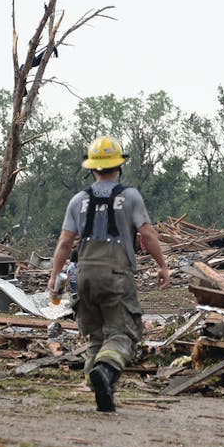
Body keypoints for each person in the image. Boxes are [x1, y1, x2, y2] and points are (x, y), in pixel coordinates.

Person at [47, 136, 170, 412]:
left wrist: (55, 277)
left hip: (83, 275)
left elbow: (65, 242)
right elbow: (147, 234)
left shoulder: (78, 201)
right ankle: (104, 370)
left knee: (97, 336)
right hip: (115, 274)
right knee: (124, 332)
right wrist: (162, 266)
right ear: (118, 166)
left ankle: (102, 391)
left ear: (92, 168)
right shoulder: (130, 197)